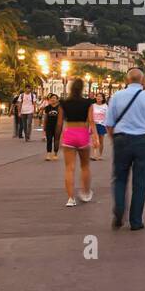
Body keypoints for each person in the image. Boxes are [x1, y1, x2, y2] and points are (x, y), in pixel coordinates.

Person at [106, 67, 145, 230]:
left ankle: (119, 210)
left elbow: (109, 124)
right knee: (140, 182)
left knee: (119, 178)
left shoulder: (116, 97)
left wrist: (115, 139)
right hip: (144, 141)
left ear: (127, 80)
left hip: (121, 139)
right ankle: (136, 221)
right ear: (142, 81)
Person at [56, 78, 96, 207]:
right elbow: (91, 121)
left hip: (69, 134)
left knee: (69, 168)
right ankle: (85, 192)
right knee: (85, 166)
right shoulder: (88, 103)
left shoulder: (63, 103)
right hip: (82, 134)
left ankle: (70, 198)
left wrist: (57, 139)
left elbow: (59, 123)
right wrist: (95, 137)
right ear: (82, 88)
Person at [40, 94, 61, 160]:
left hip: (57, 126)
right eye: (52, 98)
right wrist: (44, 126)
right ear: (50, 99)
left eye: (54, 98)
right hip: (49, 126)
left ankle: (55, 153)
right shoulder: (47, 107)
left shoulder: (60, 107)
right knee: (49, 139)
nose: (53, 99)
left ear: (57, 100)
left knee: (56, 140)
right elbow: (45, 117)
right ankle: (48, 154)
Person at [91, 92, 109, 160]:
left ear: (103, 98)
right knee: (94, 140)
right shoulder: (92, 105)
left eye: (100, 96)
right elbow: (90, 115)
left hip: (102, 125)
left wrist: (105, 124)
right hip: (94, 125)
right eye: (97, 96)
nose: (98, 98)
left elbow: (107, 116)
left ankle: (100, 155)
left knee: (101, 140)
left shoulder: (105, 106)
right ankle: (94, 154)